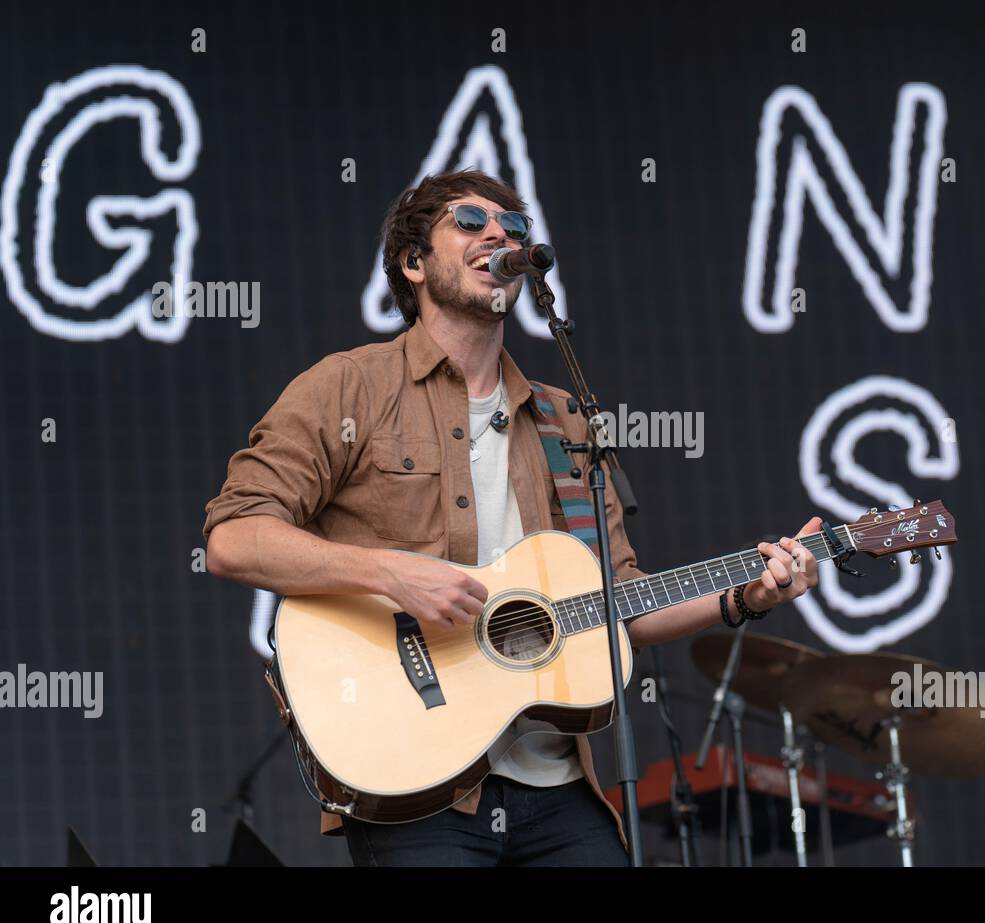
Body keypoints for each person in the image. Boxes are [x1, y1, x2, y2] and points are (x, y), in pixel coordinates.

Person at [203, 169, 822, 866]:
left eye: (514, 226)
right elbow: (234, 539)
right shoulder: (348, 387)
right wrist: (390, 574)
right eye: (470, 222)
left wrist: (745, 595)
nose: (499, 234)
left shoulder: (565, 421)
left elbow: (619, 601)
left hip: (559, 785)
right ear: (413, 263)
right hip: (418, 779)